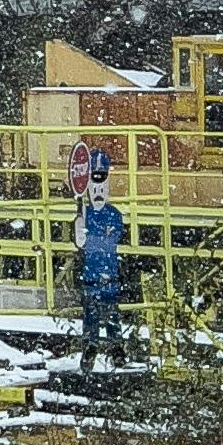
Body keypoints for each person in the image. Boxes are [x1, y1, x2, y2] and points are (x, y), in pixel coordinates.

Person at [74, 150, 127, 376]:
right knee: (92, 318)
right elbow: (86, 243)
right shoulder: (84, 214)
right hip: (94, 277)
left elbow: (108, 241)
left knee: (110, 316)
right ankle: (91, 351)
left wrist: (87, 238)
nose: (97, 191)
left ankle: (115, 352)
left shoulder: (113, 214)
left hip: (104, 276)